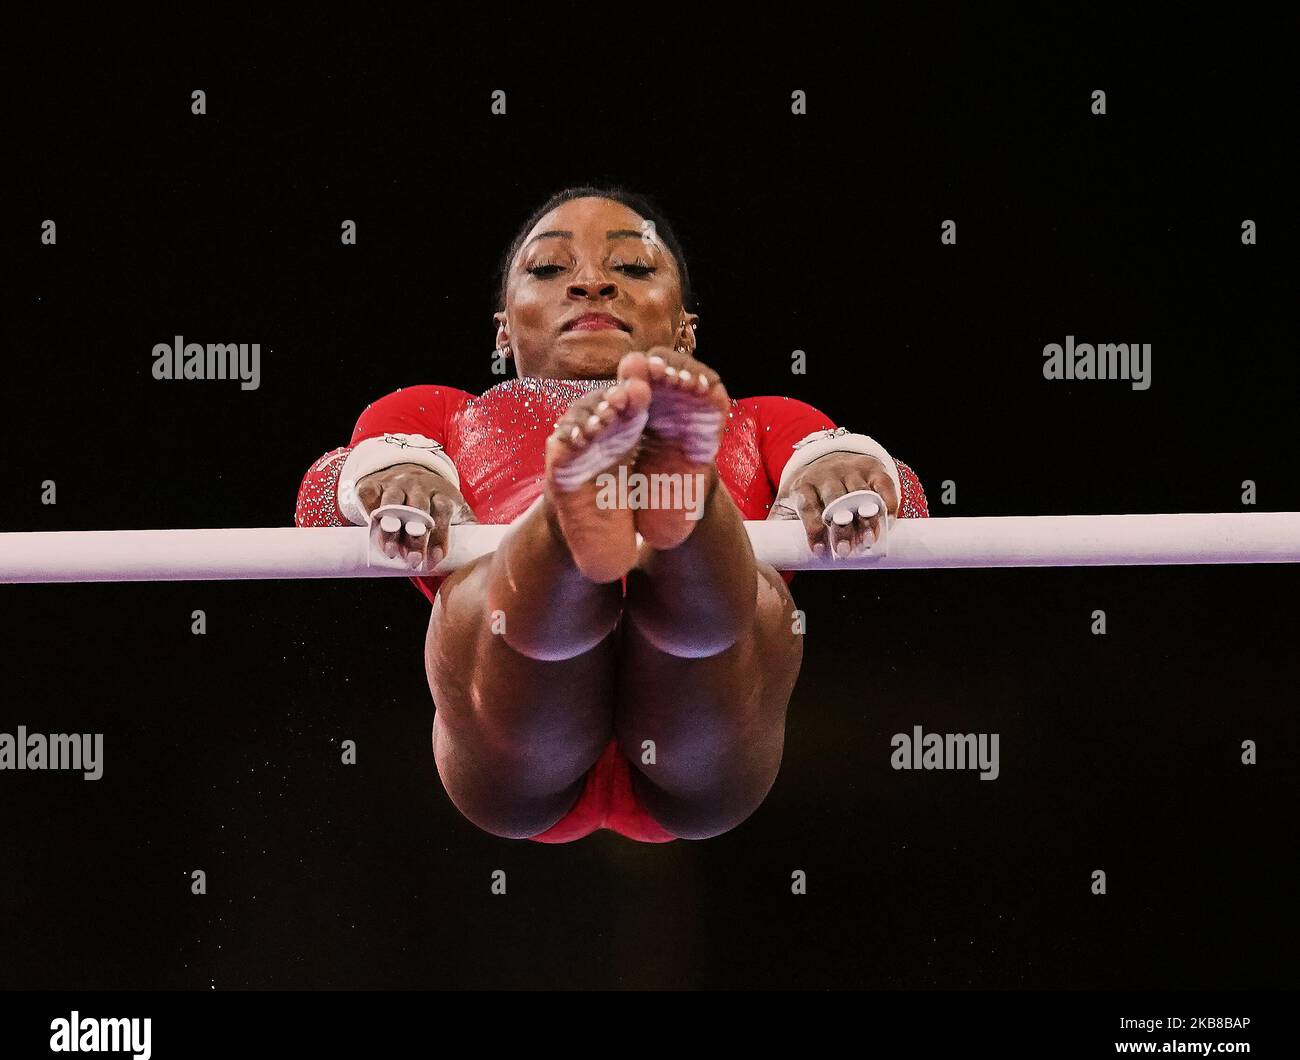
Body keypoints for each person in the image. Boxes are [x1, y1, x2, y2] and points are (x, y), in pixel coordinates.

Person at [295, 187, 928, 843]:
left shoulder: (760, 418)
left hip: (704, 705)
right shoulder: (442, 411)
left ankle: (656, 505)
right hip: (520, 711)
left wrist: (848, 480)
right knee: (486, 597)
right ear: (503, 328)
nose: (592, 283)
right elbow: (321, 499)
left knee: (750, 599)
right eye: (548, 269)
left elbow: (901, 497)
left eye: (631, 268)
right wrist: (394, 479)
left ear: (685, 327)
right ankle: (587, 518)